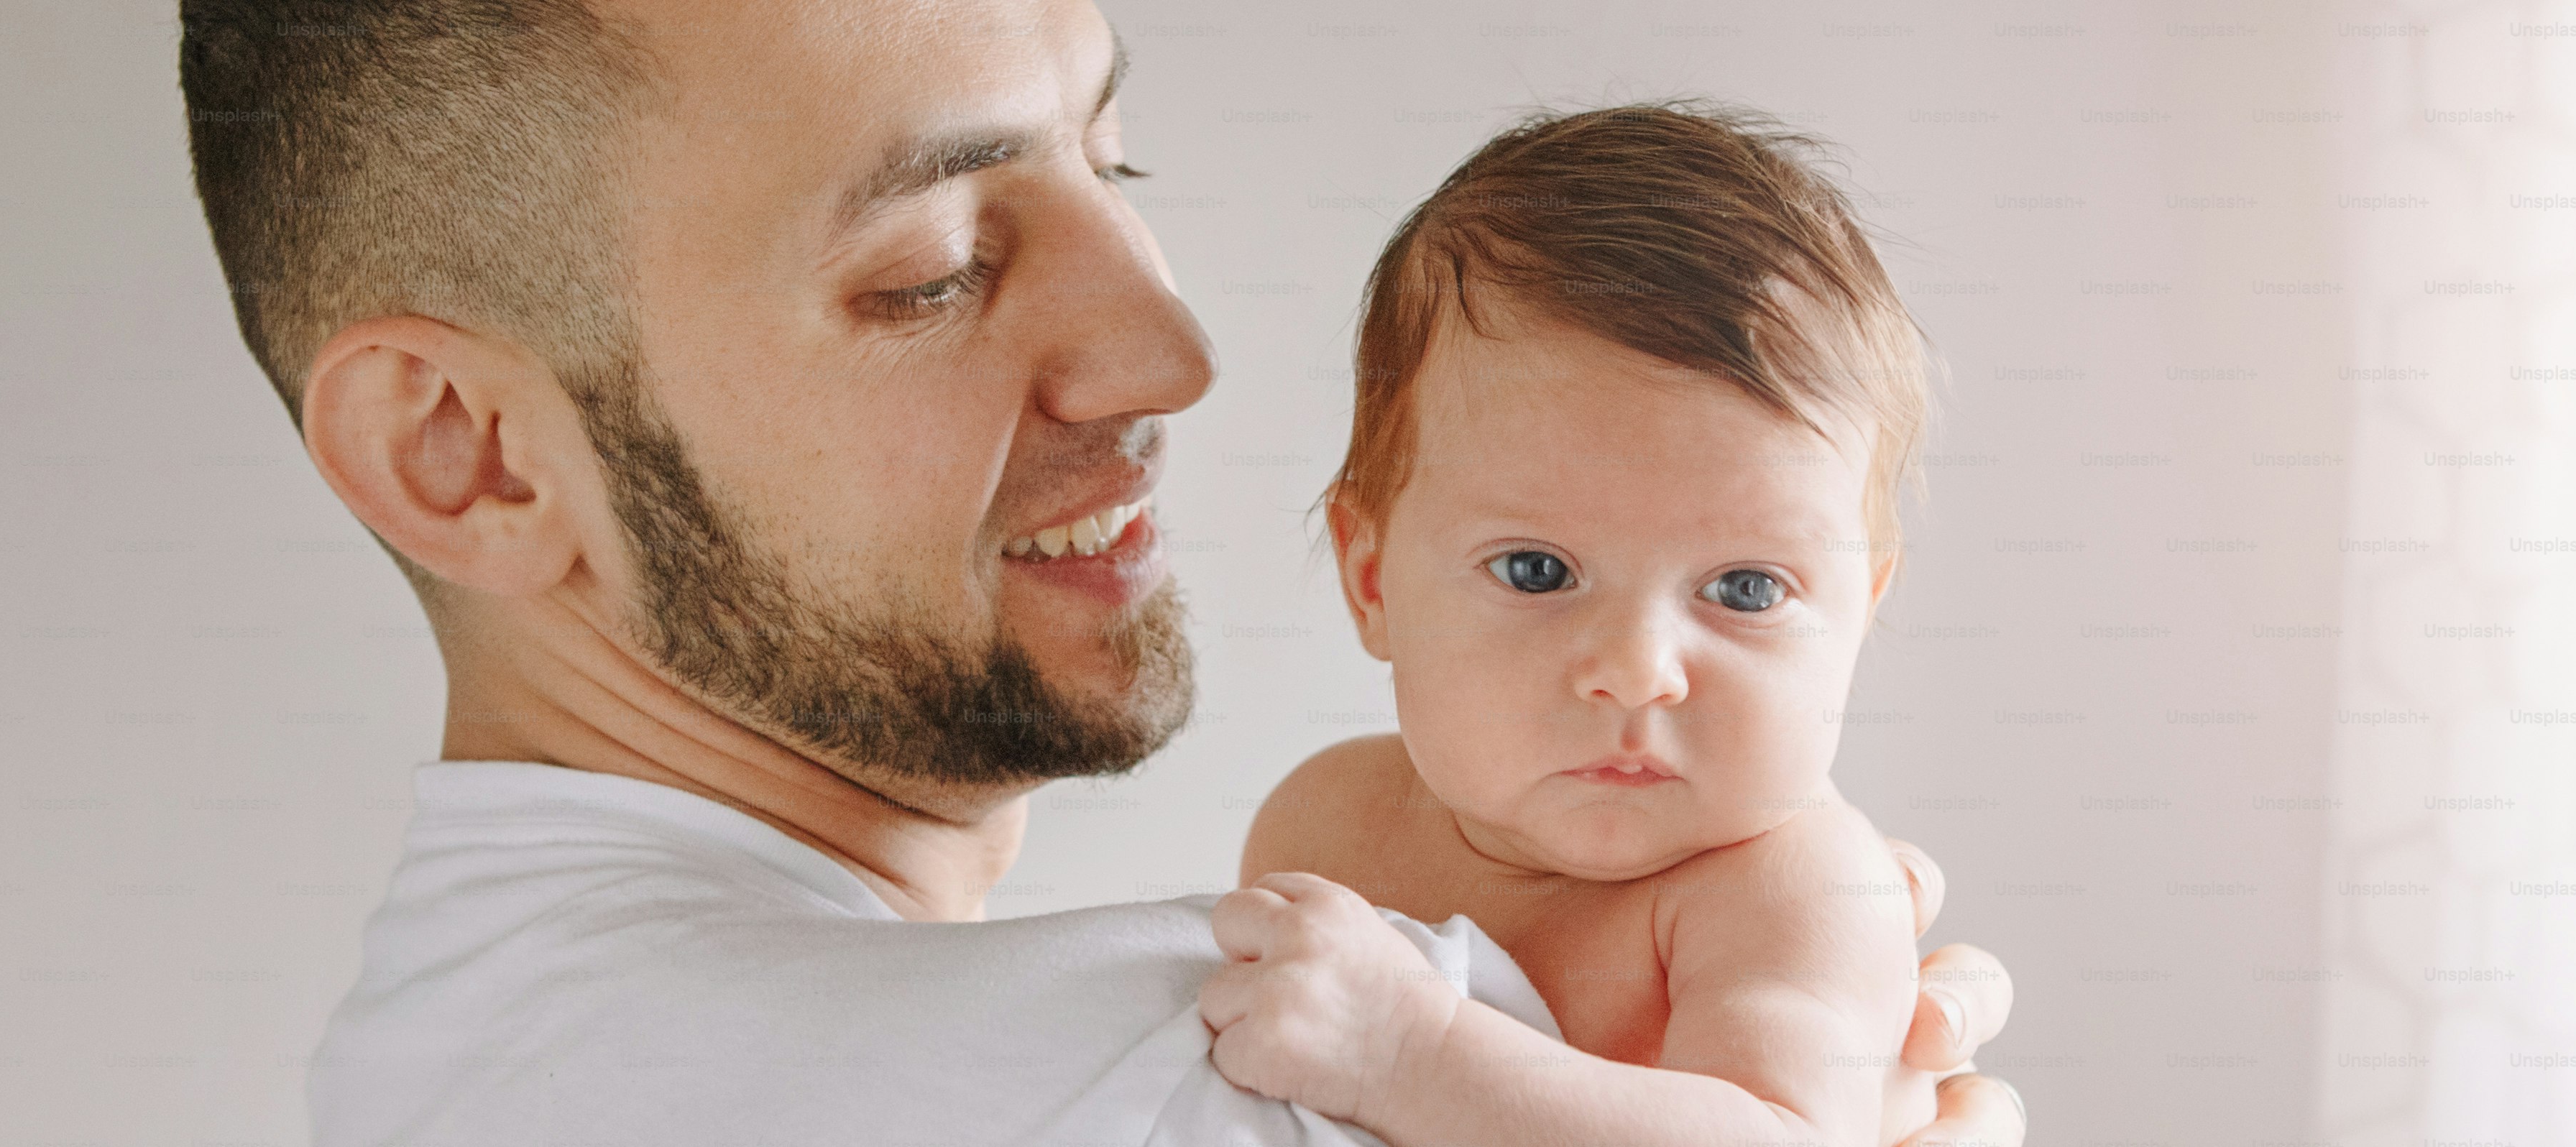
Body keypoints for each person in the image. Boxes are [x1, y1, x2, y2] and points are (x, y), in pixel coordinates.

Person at [172, 0, 2024, 1142]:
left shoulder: (422, 1058)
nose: (1172, 352)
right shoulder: (1229, 1064)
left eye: (1113, 165)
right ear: (467, 450)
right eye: (935, 270)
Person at [1204, 103, 1945, 1147]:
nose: (1638, 672)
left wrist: (1414, 1057)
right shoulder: (1325, 823)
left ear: (1858, 614)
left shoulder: (1794, 891)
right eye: (1537, 571)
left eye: (1745, 589)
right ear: (1372, 583)